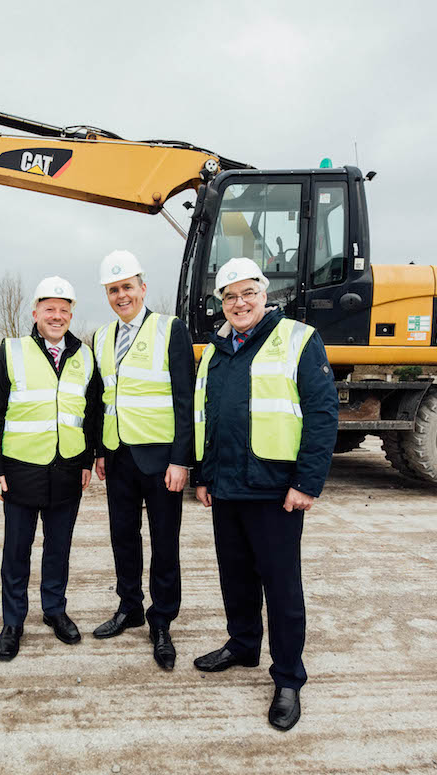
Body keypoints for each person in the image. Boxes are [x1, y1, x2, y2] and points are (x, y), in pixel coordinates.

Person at [192, 257, 339, 731]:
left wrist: (306, 483)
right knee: (234, 575)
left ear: (264, 294)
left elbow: (321, 414)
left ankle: (289, 678)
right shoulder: (216, 350)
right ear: (222, 304)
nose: (240, 303)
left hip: (276, 489)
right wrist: (203, 476)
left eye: (248, 293)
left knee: (281, 586)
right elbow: (206, 416)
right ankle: (242, 644)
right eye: (230, 296)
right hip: (227, 486)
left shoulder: (296, 338)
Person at [0, 276, 102, 661]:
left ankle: (54, 610)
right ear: (34, 313)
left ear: (71, 315)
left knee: (58, 548)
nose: (57, 316)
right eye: (49, 309)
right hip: (20, 470)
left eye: (64, 310)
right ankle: (13, 622)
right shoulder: (11, 351)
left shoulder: (84, 356)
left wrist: (86, 460)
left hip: (67, 470)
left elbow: (92, 412)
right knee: (16, 551)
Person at [91, 250, 193, 671]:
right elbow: (100, 398)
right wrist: (99, 450)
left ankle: (162, 620)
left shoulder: (170, 329)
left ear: (143, 287)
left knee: (164, 542)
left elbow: (187, 401)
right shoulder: (101, 337)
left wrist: (182, 460)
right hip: (118, 457)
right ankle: (129, 606)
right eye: (113, 290)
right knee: (123, 537)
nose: (121, 295)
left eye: (127, 287)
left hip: (161, 458)